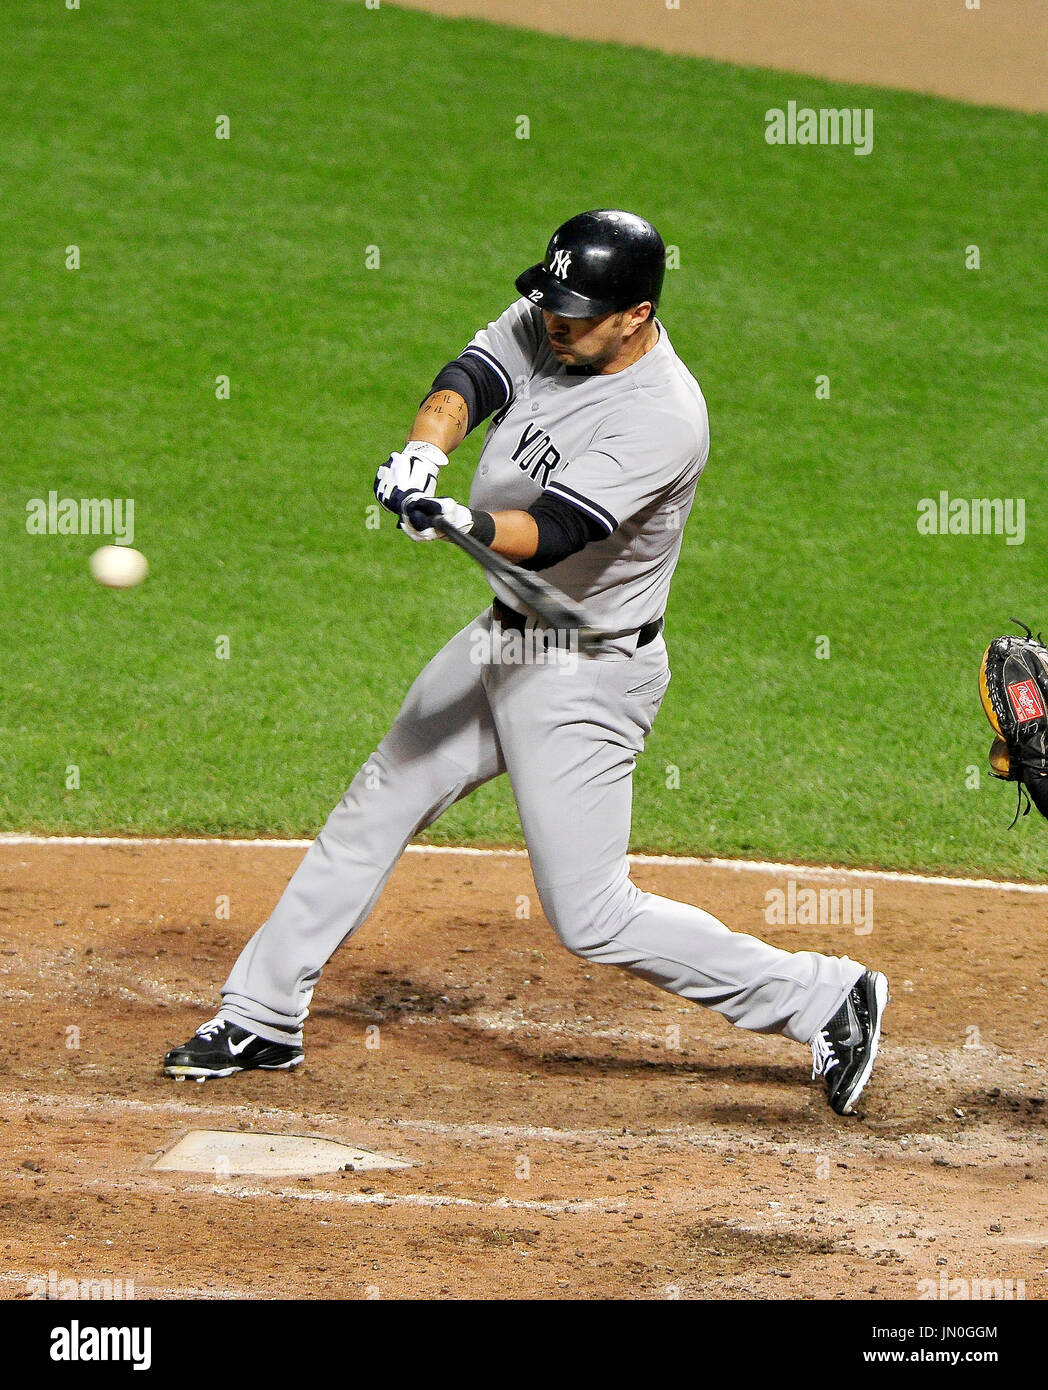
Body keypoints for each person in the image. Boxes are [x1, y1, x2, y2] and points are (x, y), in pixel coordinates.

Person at [164, 209, 888, 1115]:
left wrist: (461, 521)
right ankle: (262, 1013)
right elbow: (471, 375)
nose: (556, 323)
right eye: (551, 304)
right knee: (377, 801)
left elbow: (554, 534)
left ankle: (823, 993)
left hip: (585, 671)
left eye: (580, 314)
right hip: (506, 635)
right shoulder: (558, 321)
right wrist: (423, 452)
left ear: (638, 315)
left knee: (591, 918)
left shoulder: (664, 417)